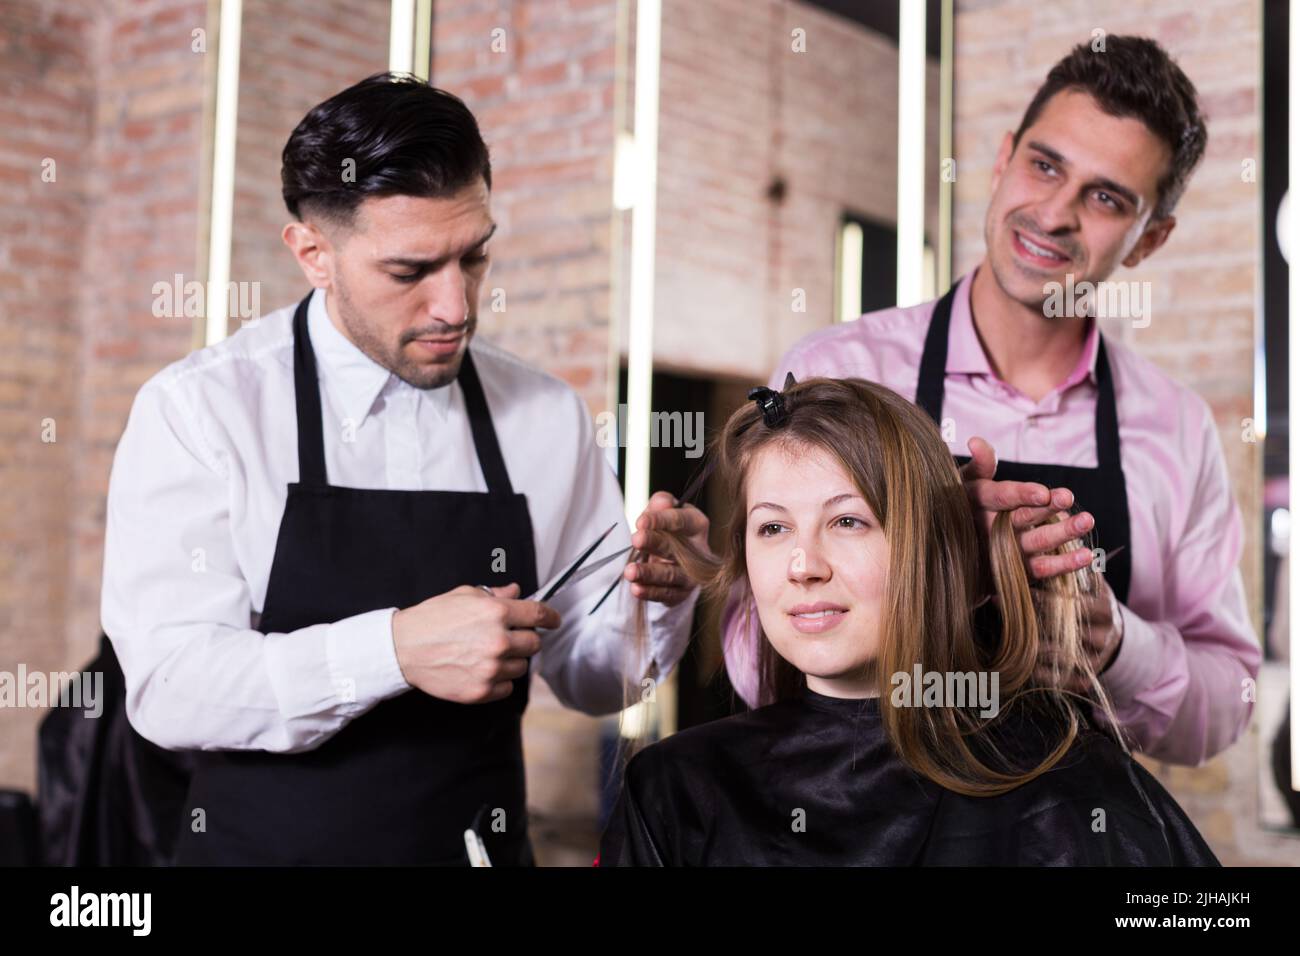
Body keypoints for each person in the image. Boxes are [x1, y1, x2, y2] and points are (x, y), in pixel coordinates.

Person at [99, 73, 709, 865]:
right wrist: (392, 651)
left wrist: (657, 601)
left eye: (474, 257)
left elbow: (596, 680)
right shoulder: (203, 411)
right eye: (410, 271)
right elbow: (168, 684)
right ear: (313, 252)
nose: (455, 305)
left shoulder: (546, 416)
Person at [723, 36, 1259, 767]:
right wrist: (931, 563)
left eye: (1106, 198)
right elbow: (757, 672)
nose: (1054, 214)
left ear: (1149, 240)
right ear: (1005, 156)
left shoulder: (1176, 426)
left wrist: (1119, 645)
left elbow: (1227, 712)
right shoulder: (835, 369)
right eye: (1045, 165)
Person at [599, 377, 1219, 866]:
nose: (802, 565)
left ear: (934, 548)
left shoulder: (1068, 783)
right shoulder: (676, 790)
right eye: (772, 527)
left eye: (848, 521)